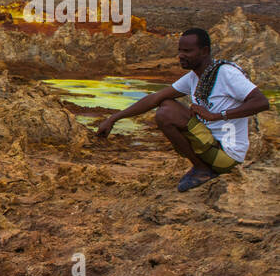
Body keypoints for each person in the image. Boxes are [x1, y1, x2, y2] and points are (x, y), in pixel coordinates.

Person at [95, 27, 270, 191]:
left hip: (226, 155)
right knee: (165, 103)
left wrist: (216, 116)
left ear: (205, 51)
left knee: (166, 113)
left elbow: (261, 102)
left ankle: (202, 169)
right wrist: (113, 118)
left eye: (187, 51)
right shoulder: (194, 77)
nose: (180, 56)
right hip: (209, 144)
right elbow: (154, 98)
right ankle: (201, 166)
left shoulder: (226, 73)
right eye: (180, 51)